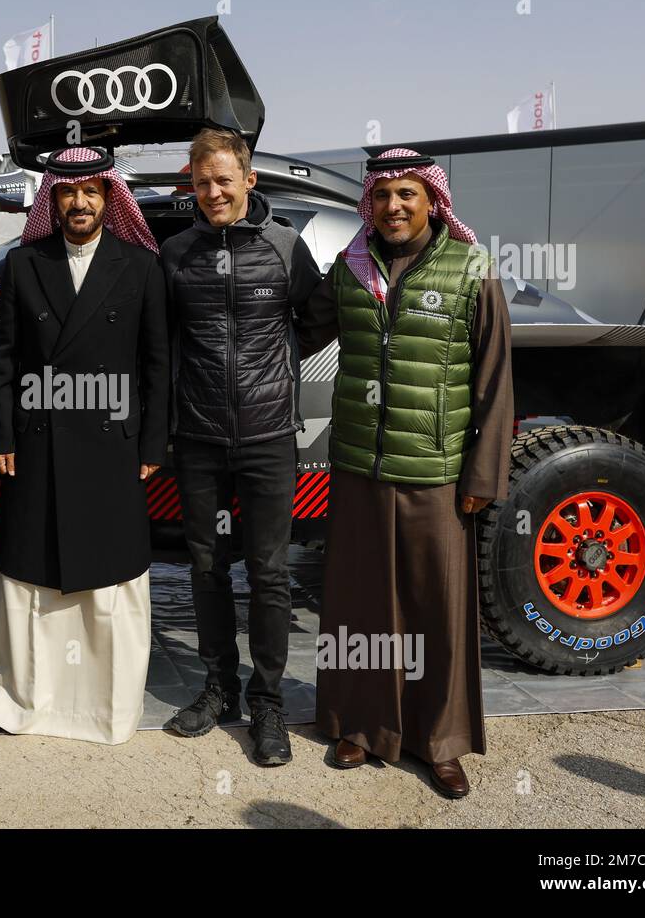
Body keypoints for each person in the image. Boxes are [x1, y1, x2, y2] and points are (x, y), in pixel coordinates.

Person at [299, 147, 514, 799]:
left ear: (431, 200)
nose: (393, 207)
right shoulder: (351, 266)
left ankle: (438, 743)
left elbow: (496, 377)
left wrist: (483, 474)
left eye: (407, 195)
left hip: (438, 473)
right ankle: (360, 727)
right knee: (361, 608)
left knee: (436, 609)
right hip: (361, 467)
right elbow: (300, 329)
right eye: (383, 195)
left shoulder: (472, 268)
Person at [0, 145, 168, 745]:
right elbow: (5, 358)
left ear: (109, 197)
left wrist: (152, 441)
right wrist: (1, 432)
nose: (79, 202)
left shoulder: (142, 266)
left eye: (91, 192)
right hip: (37, 442)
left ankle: (100, 709)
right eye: (67, 192)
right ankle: (12, 704)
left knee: (107, 576)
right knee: (27, 575)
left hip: (113, 448)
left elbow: (157, 363)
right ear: (52, 199)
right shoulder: (27, 263)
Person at [160, 127, 325, 766]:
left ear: (249, 180)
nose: (212, 193)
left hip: (267, 437)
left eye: (224, 180)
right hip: (197, 438)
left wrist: (271, 369)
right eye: (201, 183)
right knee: (205, 568)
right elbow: (162, 342)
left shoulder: (285, 248)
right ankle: (218, 688)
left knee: (270, 572)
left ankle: (269, 704)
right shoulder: (175, 253)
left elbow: (314, 320)